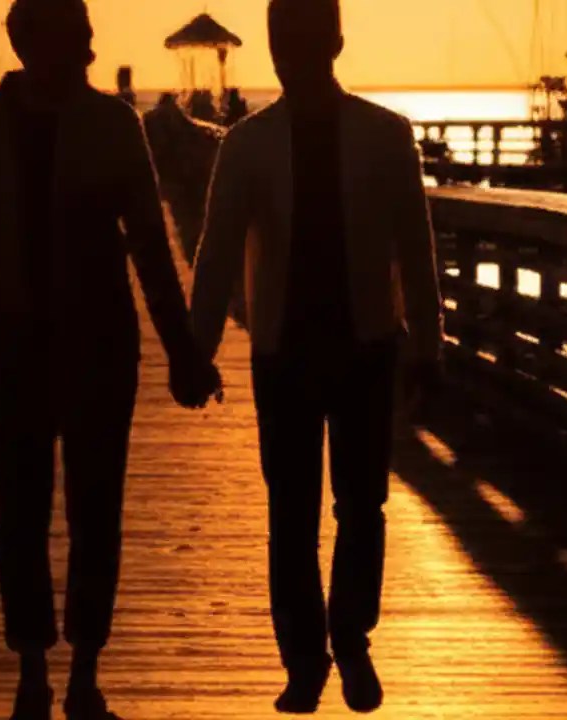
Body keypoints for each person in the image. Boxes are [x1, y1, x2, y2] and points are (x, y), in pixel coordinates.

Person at [0, 1, 222, 717]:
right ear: (36, 45)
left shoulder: (113, 126)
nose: (92, 55)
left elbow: (151, 245)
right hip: (16, 345)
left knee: (97, 511)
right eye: (80, 41)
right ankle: (32, 669)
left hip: (101, 345)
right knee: (18, 514)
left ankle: (84, 671)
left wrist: (183, 352)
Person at [190, 0, 444, 713]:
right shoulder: (247, 145)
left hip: (367, 342)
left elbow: (416, 249)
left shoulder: (385, 136)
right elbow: (214, 257)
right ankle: (306, 659)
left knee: (362, 504)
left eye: (300, 34)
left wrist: (428, 344)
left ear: (334, 39)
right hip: (284, 348)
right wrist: (196, 350)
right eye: (280, 35)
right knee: (292, 513)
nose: (288, 48)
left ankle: (351, 640)